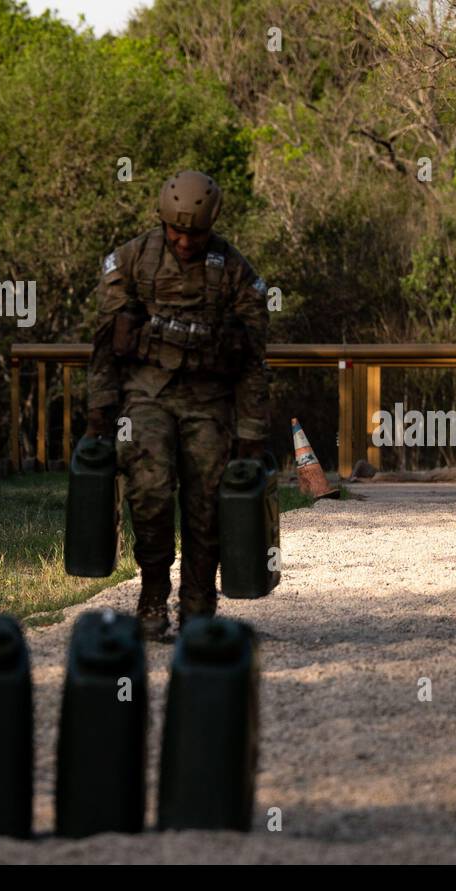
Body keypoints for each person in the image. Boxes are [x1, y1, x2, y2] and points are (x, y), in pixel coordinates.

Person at [85, 171, 271, 641]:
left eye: (195, 233)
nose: (184, 241)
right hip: (146, 393)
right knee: (148, 489)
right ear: (162, 222)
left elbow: (252, 358)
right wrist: (100, 413)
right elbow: (105, 344)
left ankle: (198, 607)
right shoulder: (131, 259)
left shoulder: (235, 272)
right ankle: (151, 594)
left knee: (206, 503)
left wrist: (251, 430)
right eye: (176, 231)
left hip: (209, 401)